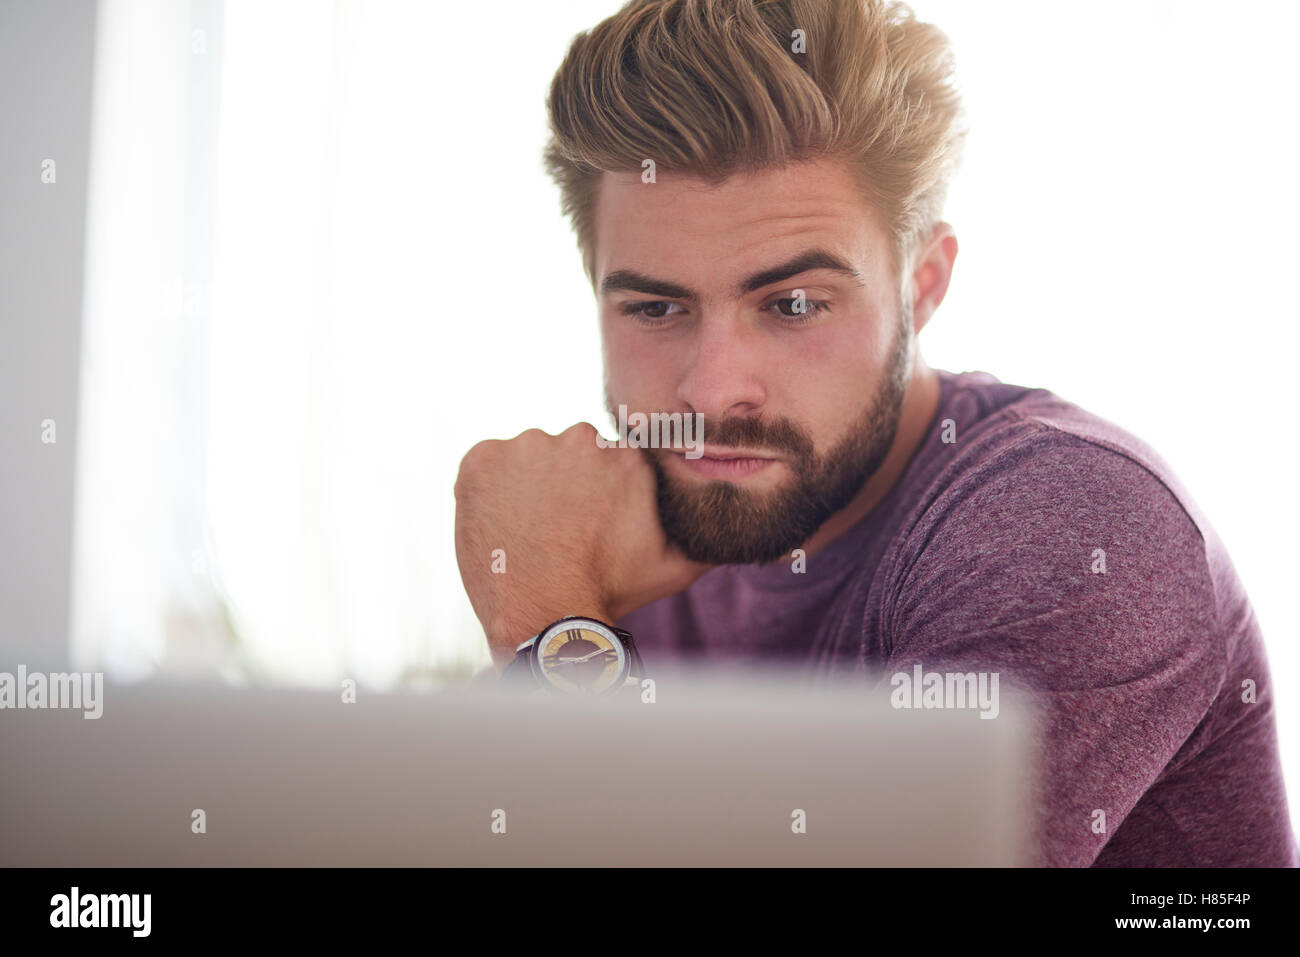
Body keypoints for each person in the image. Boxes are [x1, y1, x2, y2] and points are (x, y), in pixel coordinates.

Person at [453, 0, 1296, 866]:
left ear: (922, 285)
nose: (712, 390)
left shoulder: (1070, 525)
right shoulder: (645, 535)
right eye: (656, 307)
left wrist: (549, 629)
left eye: (792, 305)